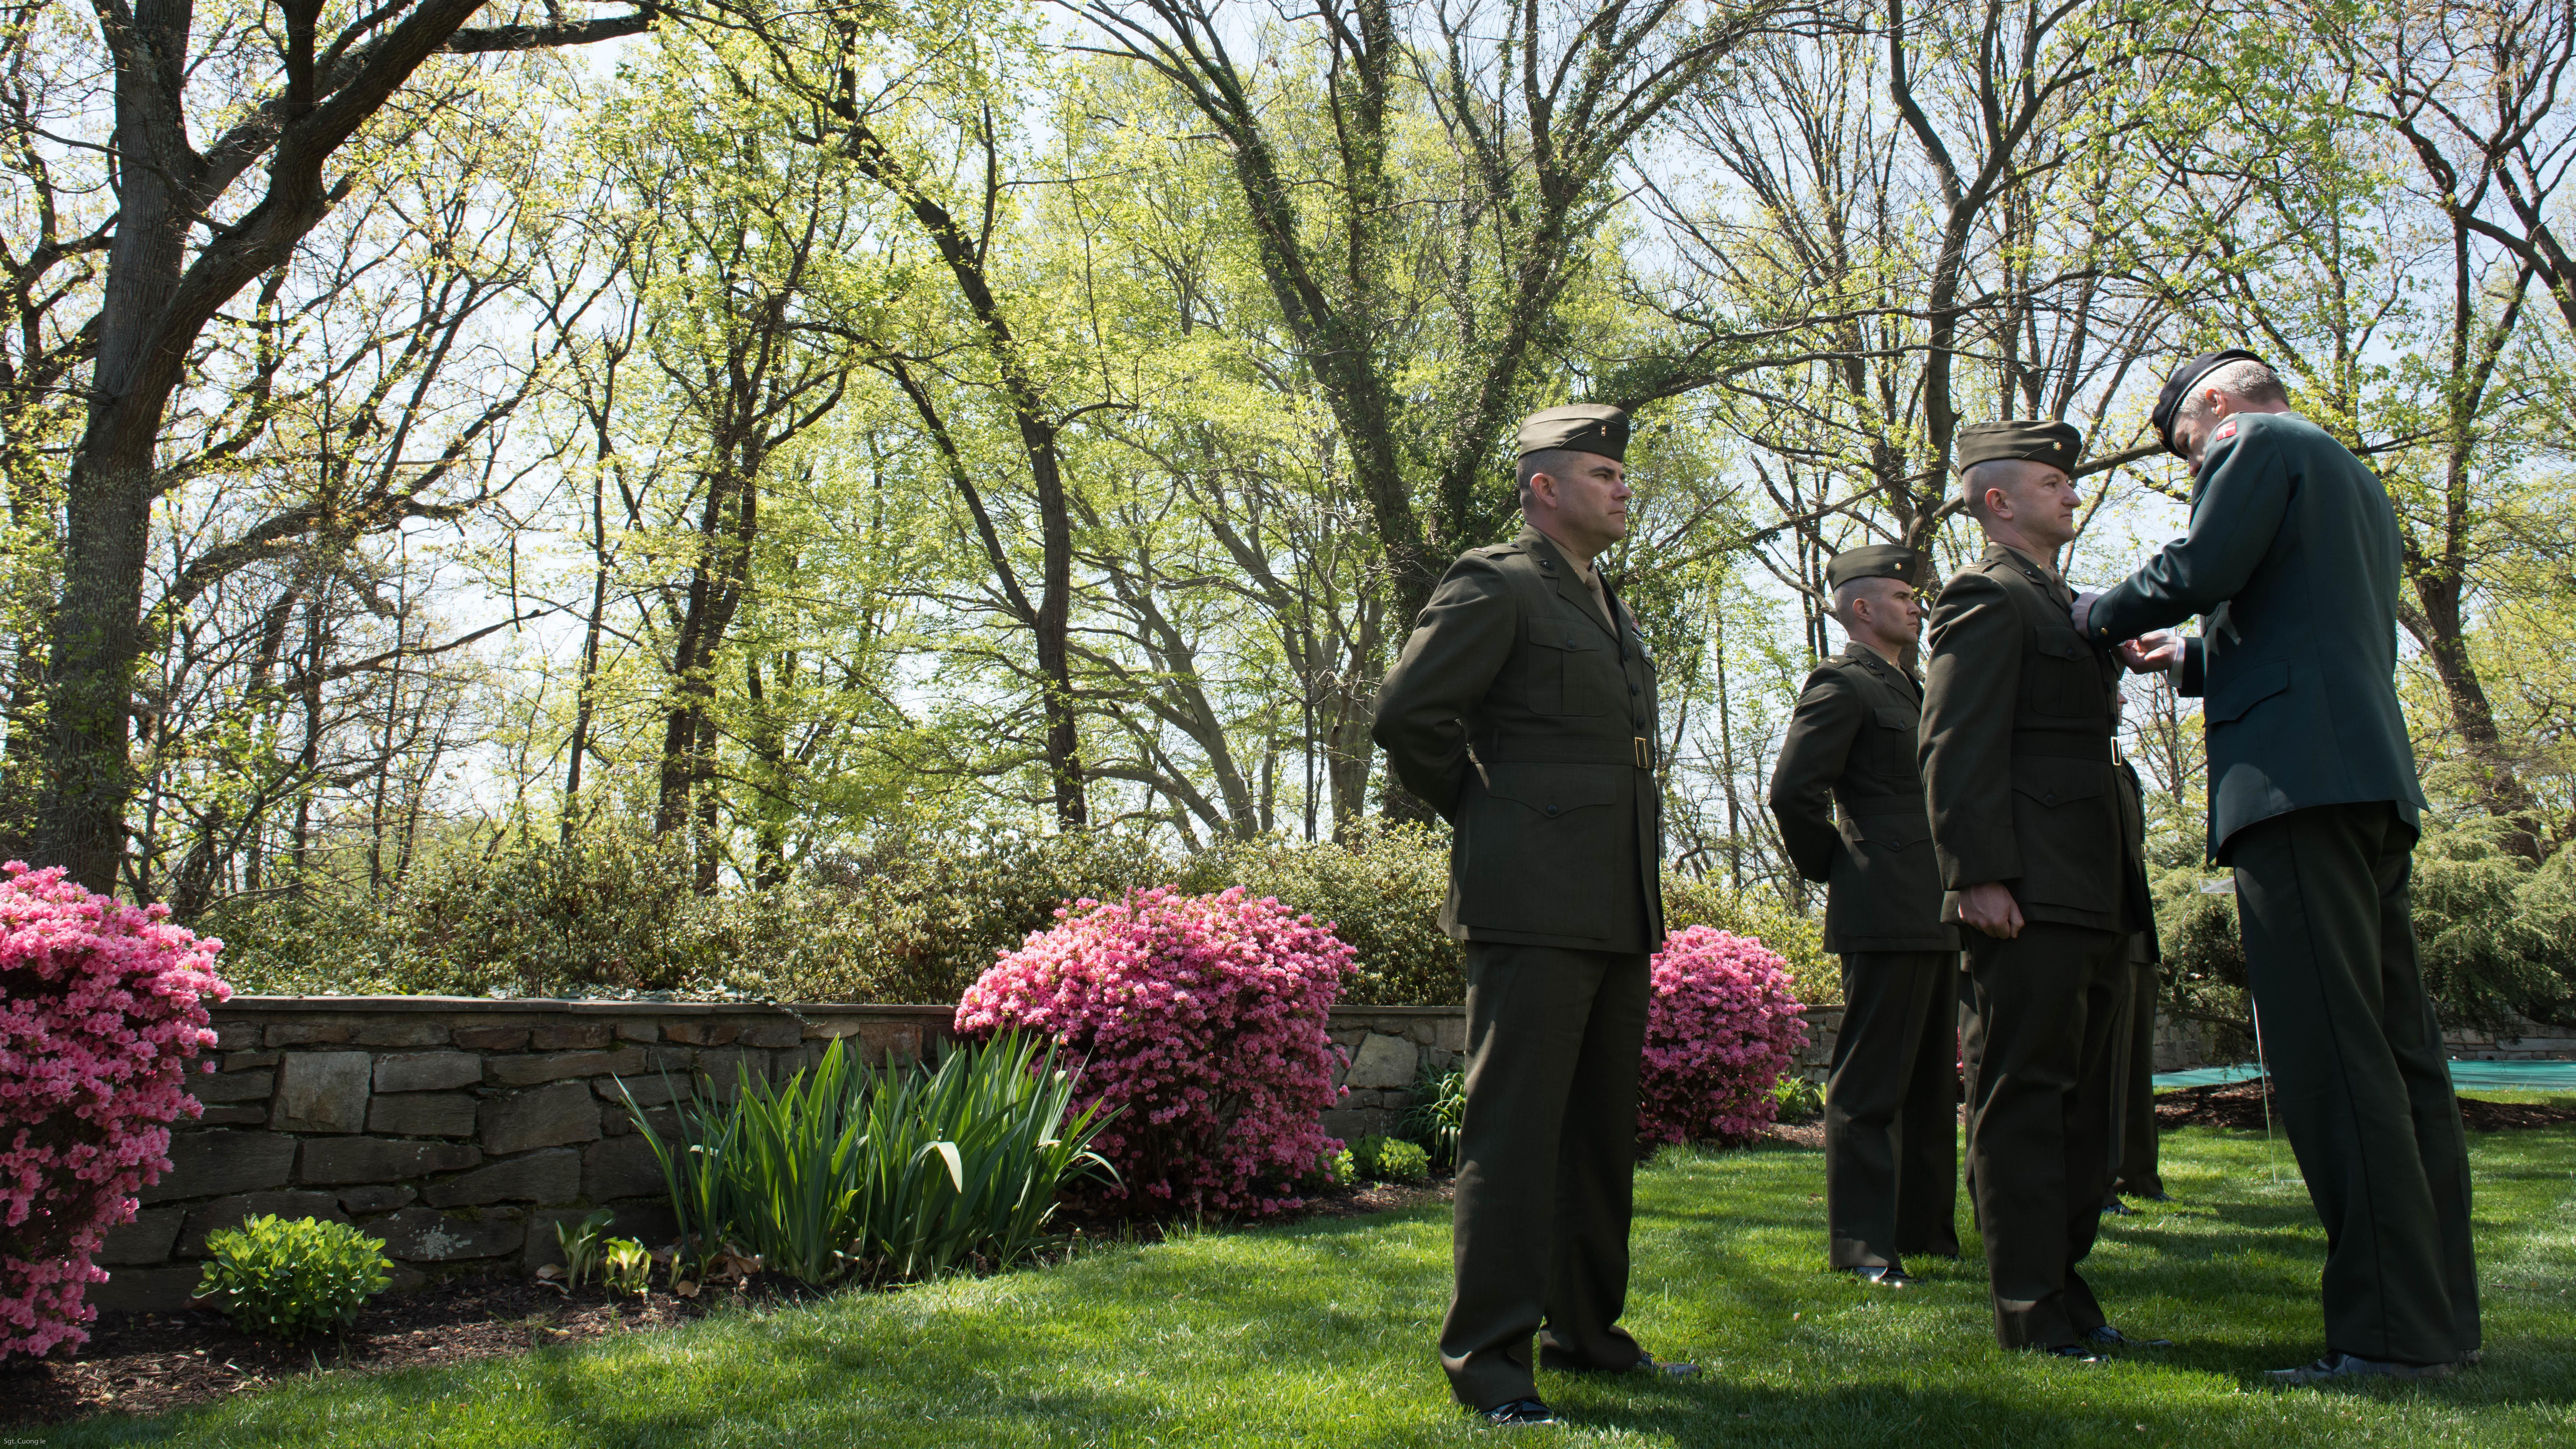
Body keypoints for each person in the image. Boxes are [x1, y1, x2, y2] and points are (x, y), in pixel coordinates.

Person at [2077, 350, 2478, 1383]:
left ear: (2211, 408)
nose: (2189, 462)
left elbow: (2201, 570)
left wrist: (2096, 615)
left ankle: (2383, 1336)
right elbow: (2308, 622)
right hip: (2363, 779)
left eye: (2182, 447)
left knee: (2331, 1062)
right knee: (2399, 1060)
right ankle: (2438, 1319)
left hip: (2291, 790)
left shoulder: (2250, 444)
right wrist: (2192, 660)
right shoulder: (2345, 472)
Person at [1372, 403, 1695, 1427]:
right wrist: (1484, 805)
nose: (1621, 488)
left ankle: (1588, 1335)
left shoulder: (1605, 600)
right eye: (1602, 472)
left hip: (1613, 898)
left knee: (1598, 1134)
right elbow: (1407, 714)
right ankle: (1489, 1363)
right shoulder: (1494, 581)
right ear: (1542, 487)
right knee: (1513, 1136)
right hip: (1529, 898)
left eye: (1621, 474)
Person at [1919, 420, 2160, 1362]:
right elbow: (1951, 743)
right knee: (2022, 1100)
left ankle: (2065, 1288)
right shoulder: (1984, 596)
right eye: (2050, 481)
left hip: (2093, 881)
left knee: (2086, 1109)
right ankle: (2027, 1307)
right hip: (2026, 884)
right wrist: (1975, 872)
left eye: (2069, 481)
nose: (2071, 492)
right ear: (1997, 501)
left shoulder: (2061, 600)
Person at [1766, 545, 1961, 1286]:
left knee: (1932, 1085)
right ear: (1861, 609)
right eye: (1902, 596)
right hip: (1883, 902)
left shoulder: (1914, 690)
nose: (1917, 606)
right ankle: (1862, 1247)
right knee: (1871, 1084)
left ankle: (1925, 1232)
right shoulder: (1841, 686)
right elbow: (1792, 792)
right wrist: (1843, 867)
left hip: (1937, 904)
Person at [2101, 759, 2168, 1215]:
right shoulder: (2086, 759)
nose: (2122, 697)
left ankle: (2139, 1174)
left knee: (2135, 1066)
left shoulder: (2124, 768)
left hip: (2137, 933)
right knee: (2103, 1068)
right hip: (2101, 927)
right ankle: (2099, 1185)